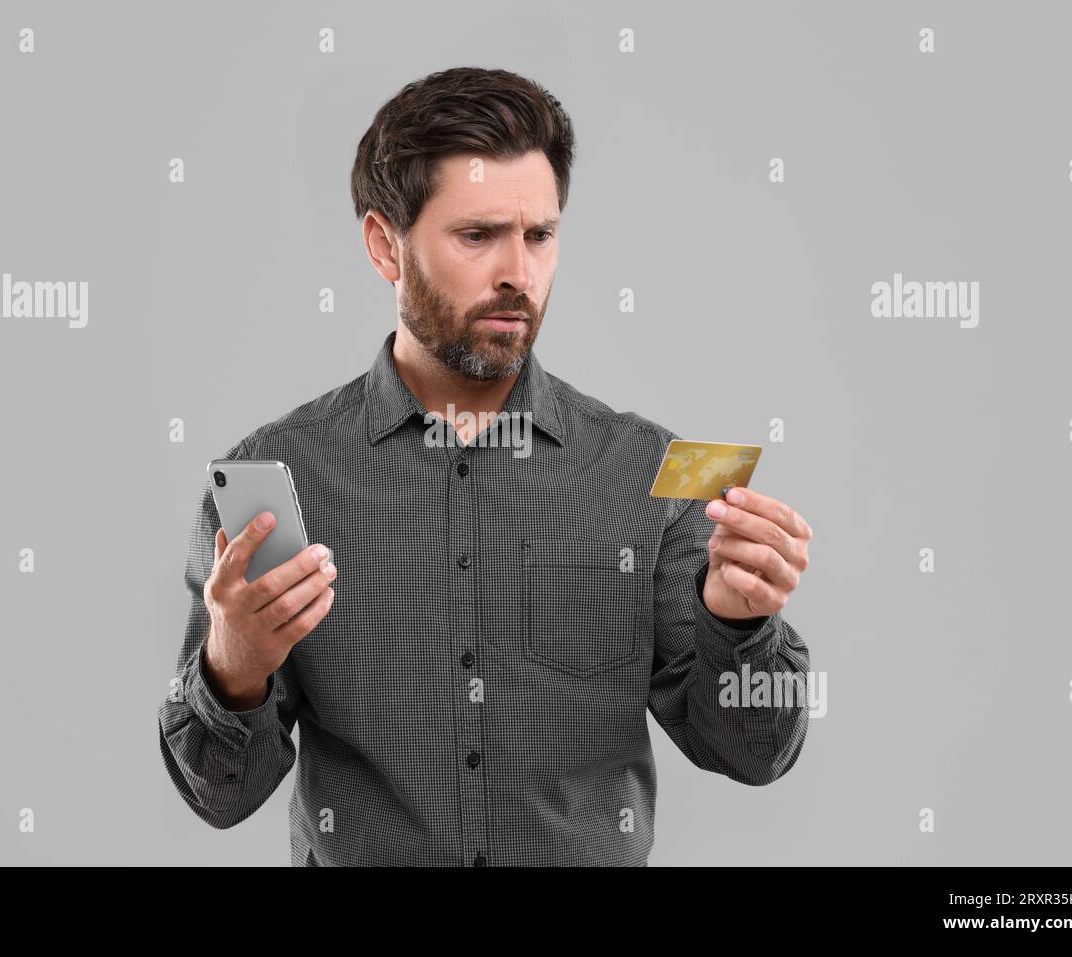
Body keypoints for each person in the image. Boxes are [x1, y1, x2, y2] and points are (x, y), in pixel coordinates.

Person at [158, 66, 814, 866]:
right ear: (383, 245)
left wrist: (742, 628)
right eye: (478, 236)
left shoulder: (658, 477)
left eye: (539, 235)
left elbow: (754, 753)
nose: (519, 273)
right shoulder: (278, 476)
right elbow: (219, 793)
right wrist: (233, 667)